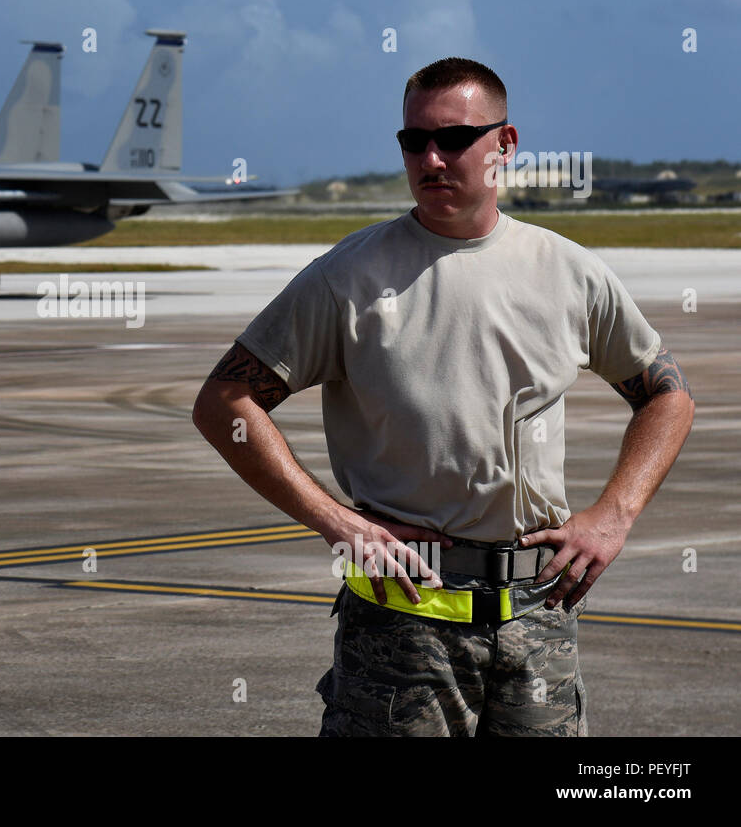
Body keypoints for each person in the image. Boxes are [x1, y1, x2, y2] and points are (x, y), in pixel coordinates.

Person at [191, 57, 694, 736]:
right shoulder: (348, 277)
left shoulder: (569, 273)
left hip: (538, 618)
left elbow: (667, 395)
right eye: (413, 141)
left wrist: (614, 512)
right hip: (402, 625)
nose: (430, 157)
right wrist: (339, 523)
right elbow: (224, 401)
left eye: (453, 139)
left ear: (505, 145)